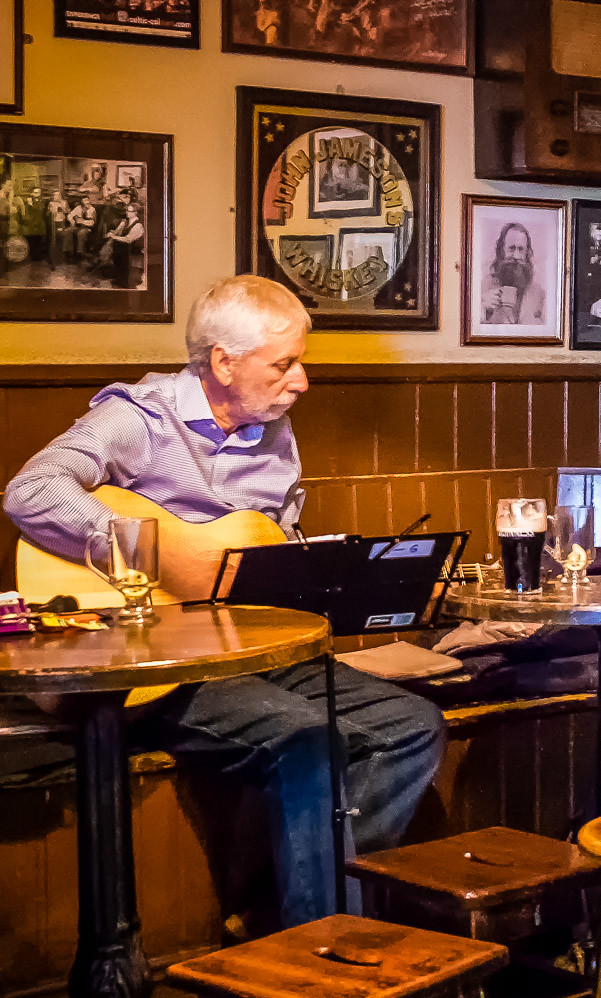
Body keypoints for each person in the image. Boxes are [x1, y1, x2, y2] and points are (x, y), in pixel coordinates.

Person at [4, 275, 446, 933]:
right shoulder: (141, 417)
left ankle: (287, 912)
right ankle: (321, 946)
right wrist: (156, 554)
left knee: (411, 724)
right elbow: (31, 491)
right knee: (307, 736)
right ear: (223, 361)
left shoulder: (275, 431)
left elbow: (273, 549)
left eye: (300, 363)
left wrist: (332, 574)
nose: (301, 382)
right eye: (283, 365)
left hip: (251, 644)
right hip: (159, 661)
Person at [481, 222, 547, 325]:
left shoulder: (539, 294)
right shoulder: (484, 287)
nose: (516, 256)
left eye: (521, 249)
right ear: (501, 250)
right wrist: (483, 309)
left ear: (527, 253)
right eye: (511, 248)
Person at [64, 194, 97, 260]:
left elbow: (92, 223)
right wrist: (72, 221)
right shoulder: (78, 208)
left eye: (87, 201)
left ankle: (80, 252)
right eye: (85, 202)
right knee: (67, 230)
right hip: (77, 227)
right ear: (82, 203)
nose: (87, 203)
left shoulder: (92, 209)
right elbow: (69, 215)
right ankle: (69, 252)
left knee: (81, 233)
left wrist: (82, 221)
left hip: (87, 228)